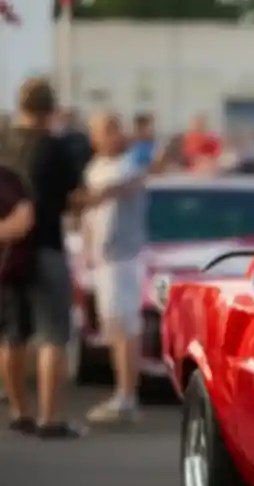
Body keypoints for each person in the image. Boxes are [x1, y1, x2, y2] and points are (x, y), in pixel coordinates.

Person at [0, 78, 84, 438]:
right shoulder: (55, 148)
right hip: (46, 246)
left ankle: (20, 412)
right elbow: (75, 197)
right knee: (53, 336)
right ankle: (51, 418)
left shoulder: (3, 145)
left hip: (7, 253)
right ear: (50, 110)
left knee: (12, 335)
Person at [80, 111, 149, 424]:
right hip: (102, 260)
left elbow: (130, 184)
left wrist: (94, 197)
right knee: (111, 326)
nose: (108, 135)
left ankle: (127, 397)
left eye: (112, 128)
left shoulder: (129, 165)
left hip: (125, 257)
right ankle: (120, 393)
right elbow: (89, 215)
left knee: (125, 326)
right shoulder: (94, 168)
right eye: (101, 130)